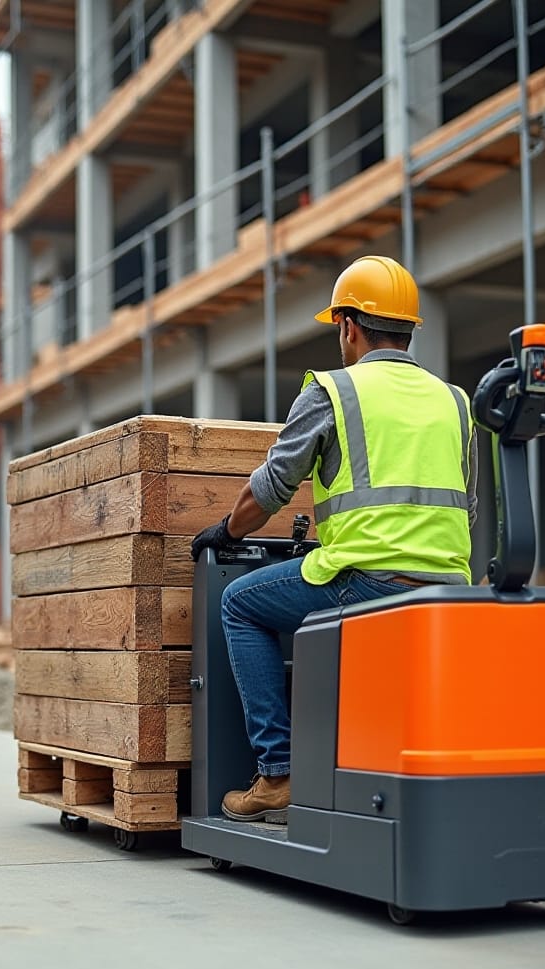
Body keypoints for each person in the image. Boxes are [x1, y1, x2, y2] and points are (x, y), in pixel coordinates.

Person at [189, 255, 478, 821]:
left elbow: (272, 488)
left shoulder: (334, 391)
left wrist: (224, 531)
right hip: (446, 588)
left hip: (368, 581)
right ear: (410, 329)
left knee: (239, 604)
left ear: (349, 325)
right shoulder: (456, 401)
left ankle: (276, 774)